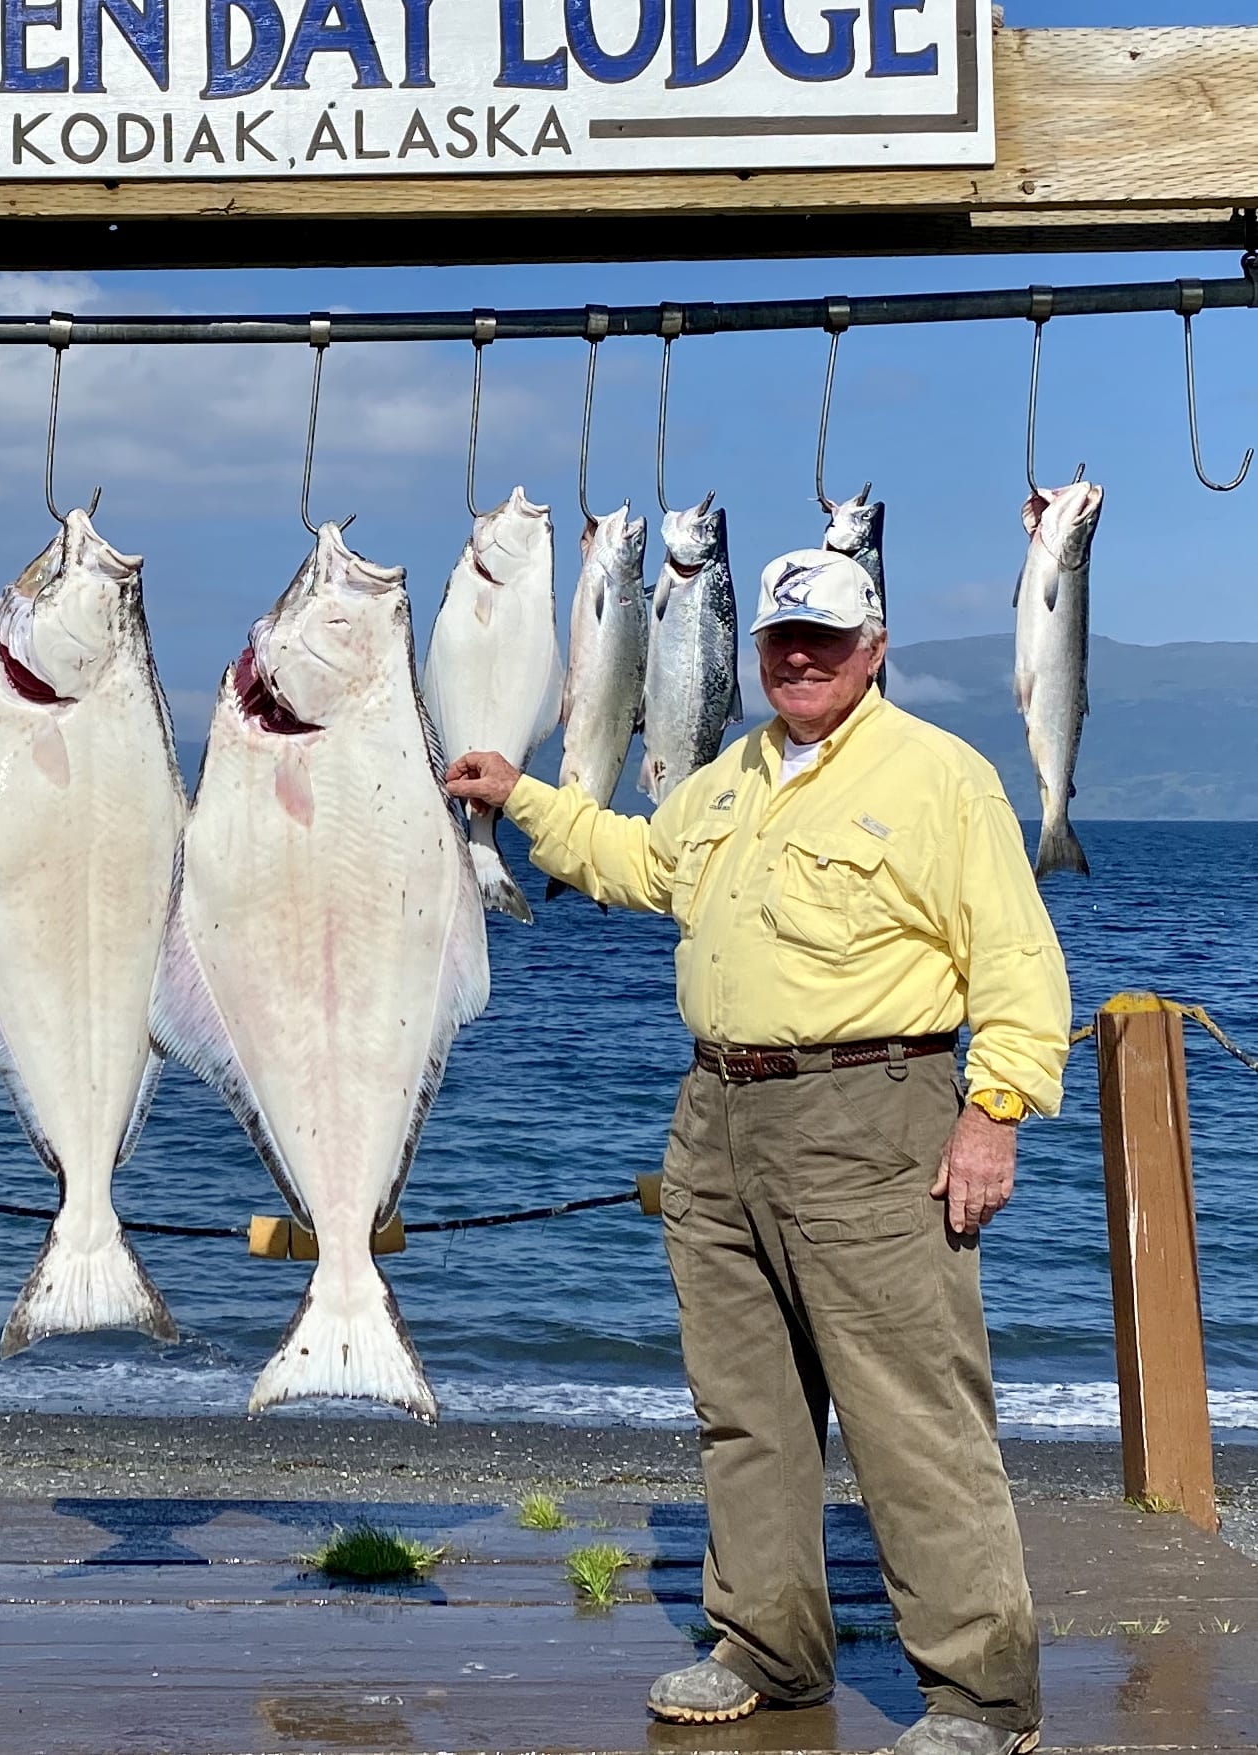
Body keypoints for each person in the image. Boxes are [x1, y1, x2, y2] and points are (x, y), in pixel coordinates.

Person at [446, 548, 1069, 1755]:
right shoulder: (730, 773)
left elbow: (1018, 965)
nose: (797, 655)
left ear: (873, 649)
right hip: (716, 1119)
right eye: (782, 634)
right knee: (748, 1413)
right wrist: (519, 797)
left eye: (824, 637)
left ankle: (984, 1699)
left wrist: (992, 1115)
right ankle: (769, 1650)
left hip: (873, 1116)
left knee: (913, 1418)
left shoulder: (944, 778)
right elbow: (640, 865)